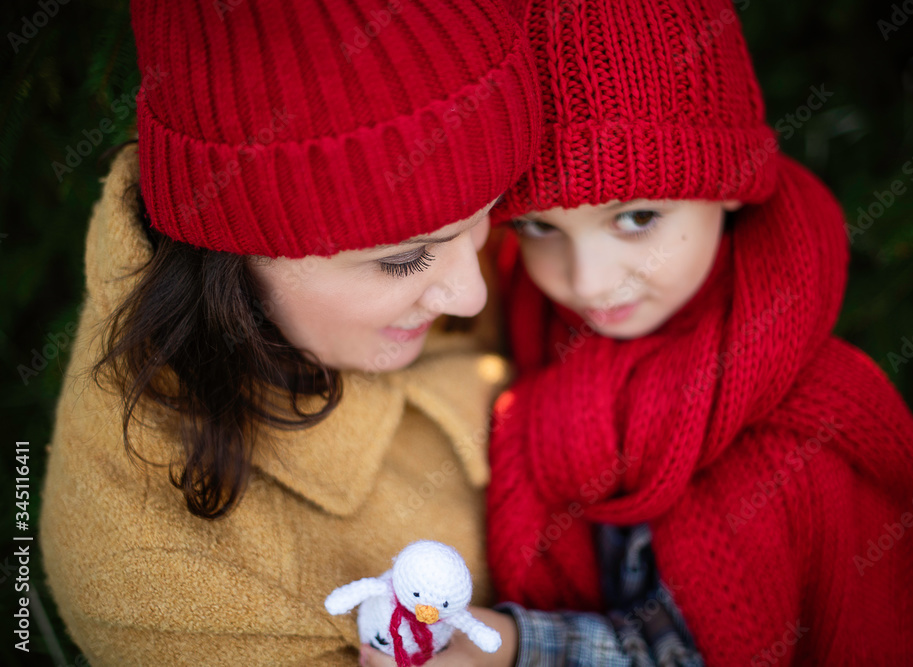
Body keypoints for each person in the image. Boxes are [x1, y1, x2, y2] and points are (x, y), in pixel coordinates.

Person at [37, 0, 543, 664]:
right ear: (229, 254)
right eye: (403, 257)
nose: (473, 290)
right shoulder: (152, 579)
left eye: (488, 212)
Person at [479, 0, 913, 665]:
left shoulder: (814, 429)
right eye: (539, 227)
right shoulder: (518, 326)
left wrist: (515, 647)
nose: (586, 282)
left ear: (731, 183)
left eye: (638, 216)